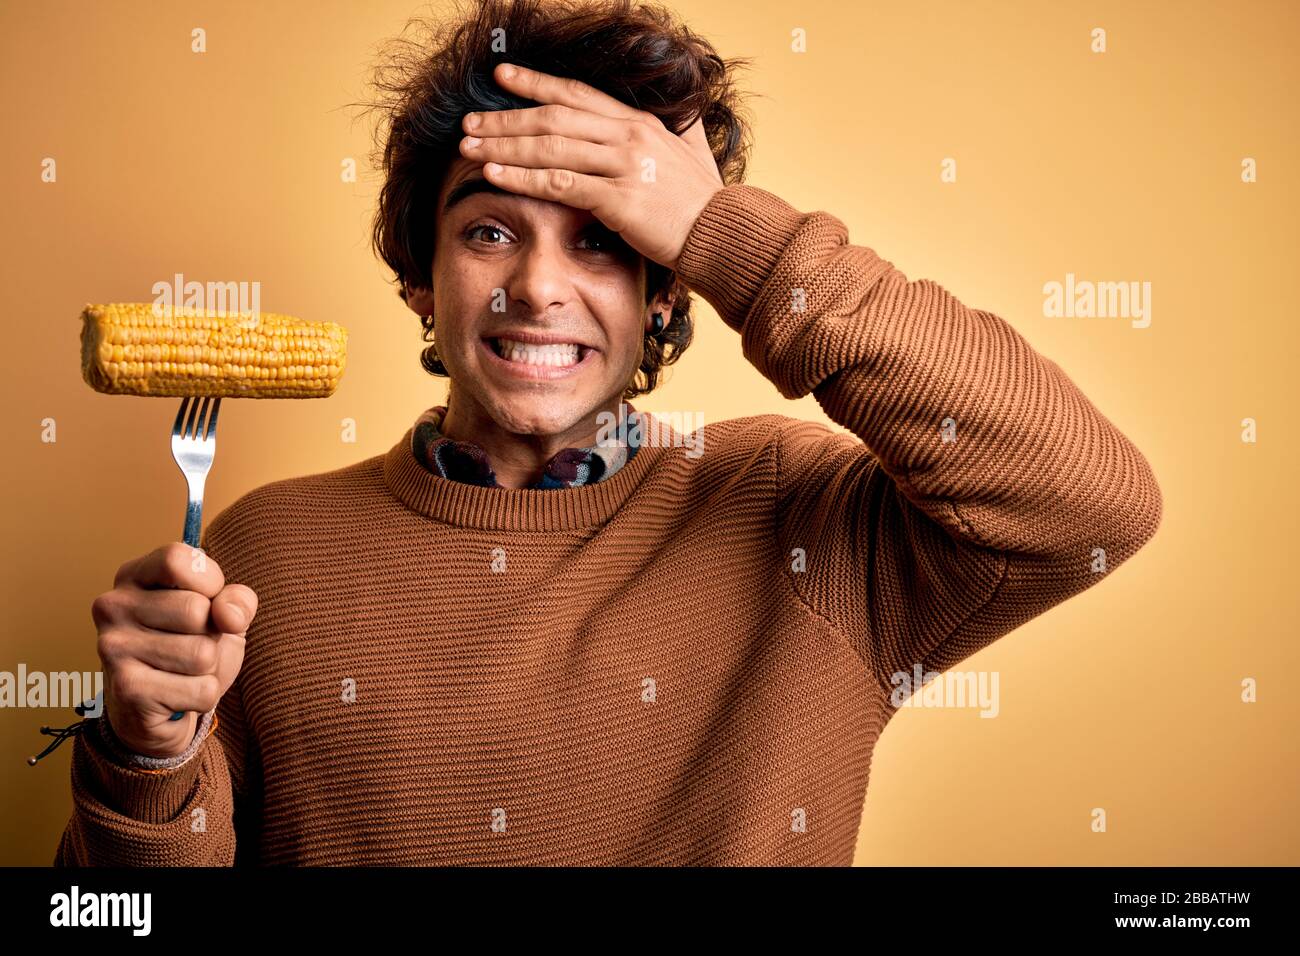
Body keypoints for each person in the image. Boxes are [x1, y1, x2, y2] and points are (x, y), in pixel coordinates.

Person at [54, 0, 1162, 866]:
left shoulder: (800, 514)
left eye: (602, 241)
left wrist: (726, 233)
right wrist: (147, 759)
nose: (539, 288)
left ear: (668, 291)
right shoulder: (262, 555)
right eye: (489, 231)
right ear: (419, 282)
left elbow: (1094, 507)